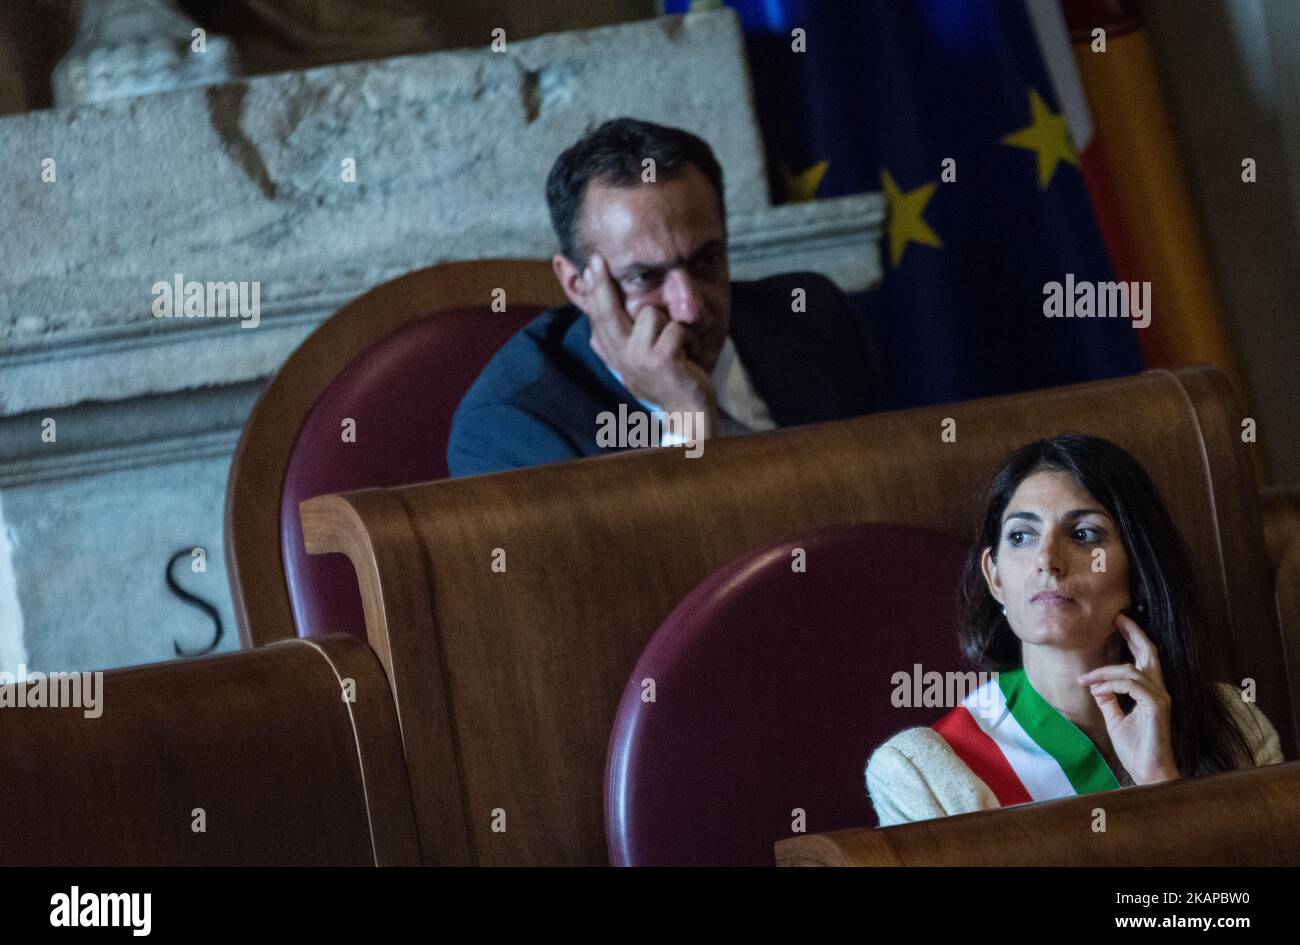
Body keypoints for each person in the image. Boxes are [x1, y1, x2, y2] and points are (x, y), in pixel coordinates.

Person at [866, 434, 1283, 827]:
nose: (1047, 560)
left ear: (1140, 572)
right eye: (1021, 536)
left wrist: (1160, 783)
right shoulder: (922, 771)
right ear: (995, 578)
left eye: (1084, 535)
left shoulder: (1234, 725)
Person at [446, 117, 877, 478]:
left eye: (706, 260)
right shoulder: (510, 426)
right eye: (645, 278)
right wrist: (685, 416)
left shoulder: (812, 317)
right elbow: (641, 576)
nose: (689, 307)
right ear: (577, 284)